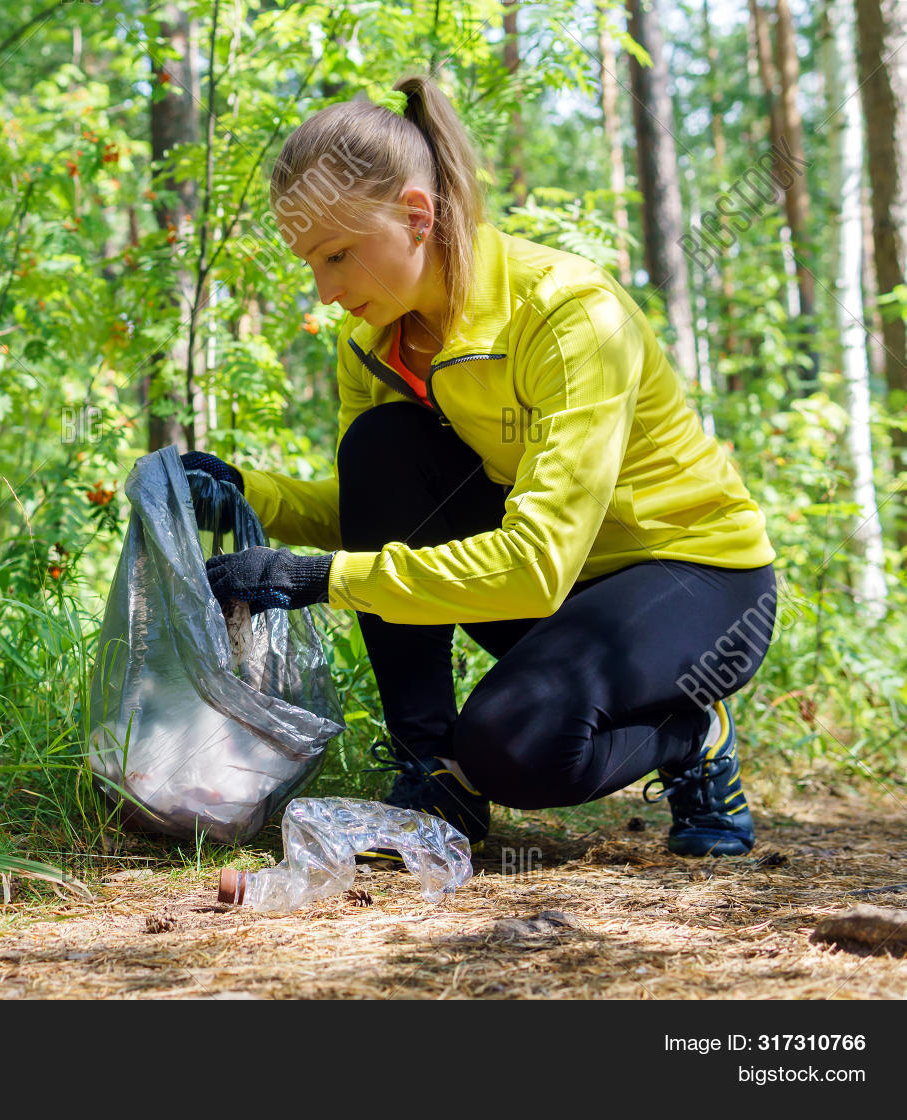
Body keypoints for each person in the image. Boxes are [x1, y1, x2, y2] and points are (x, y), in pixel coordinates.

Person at [186, 72, 778, 858]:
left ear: (416, 215)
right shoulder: (373, 338)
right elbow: (377, 503)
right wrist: (245, 495)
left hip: (698, 580)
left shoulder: (568, 315)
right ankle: (435, 776)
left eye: (337, 256)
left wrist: (314, 578)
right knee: (380, 445)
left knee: (517, 751)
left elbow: (535, 565)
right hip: (560, 590)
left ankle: (691, 732)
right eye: (311, 264)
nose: (325, 292)